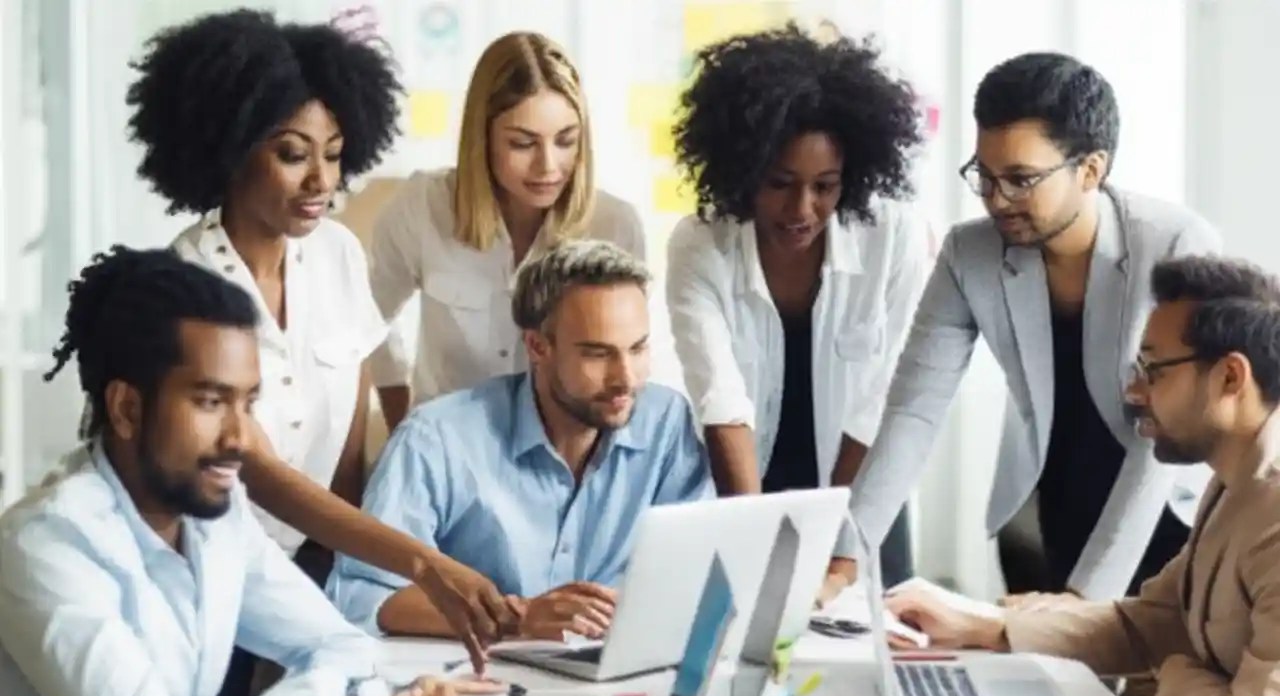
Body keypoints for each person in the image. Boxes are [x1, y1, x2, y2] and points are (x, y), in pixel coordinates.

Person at [123, 9, 512, 694]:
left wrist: (345, 569)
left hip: (303, 562)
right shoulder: (187, 286)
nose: (321, 181)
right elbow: (257, 469)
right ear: (232, 147)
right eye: (293, 154)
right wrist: (421, 562)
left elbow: (350, 437)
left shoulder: (337, 255)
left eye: (333, 153)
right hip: (188, 572)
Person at [0, 247, 498, 696]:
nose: (241, 437)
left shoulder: (216, 515)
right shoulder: (45, 544)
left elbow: (343, 647)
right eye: (211, 402)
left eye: (248, 403)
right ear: (127, 408)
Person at [846, 52, 1222, 599]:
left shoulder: (1175, 244)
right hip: (1048, 506)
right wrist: (845, 555)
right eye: (985, 175)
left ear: (1091, 170)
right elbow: (913, 410)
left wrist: (1081, 607)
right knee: (1044, 681)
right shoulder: (966, 254)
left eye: (1021, 179)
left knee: (1159, 677)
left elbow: (1162, 432)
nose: (998, 200)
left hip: (1163, 509)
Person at [887, 255, 1280, 696]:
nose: (1135, 392)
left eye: (1153, 371)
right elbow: (1153, 622)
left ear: (1230, 378)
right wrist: (987, 627)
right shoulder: (1233, 482)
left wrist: (1173, 671)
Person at [329, 240, 713, 640]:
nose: (626, 378)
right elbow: (361, 596)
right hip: (472, 681)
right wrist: (517, 618)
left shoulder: (665, 422)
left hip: (618, 674)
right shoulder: (437, 439)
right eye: (597, 354)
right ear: (537, 347)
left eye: (637, 348)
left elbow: (700, 565)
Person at [666, 25, 931, 596]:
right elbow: (721, 400)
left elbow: (880, 400)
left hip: (862, 490)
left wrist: (836, 555)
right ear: (743, 170)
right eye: (779, 183)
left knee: (870, 654)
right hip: (745, 487)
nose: (802, 209)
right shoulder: (699, 246)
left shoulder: (894, 237)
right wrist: (759, 540)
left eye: (825, 186)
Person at [367, 31, 648, 433]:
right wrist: (403, 425)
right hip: (447, 450)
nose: (548, 166)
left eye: (566, 141)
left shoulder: (615, 225)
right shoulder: (423, 206)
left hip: (563, 453)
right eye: (522, 143)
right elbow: (365, 323)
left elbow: (625, 364)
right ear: (482, 139)